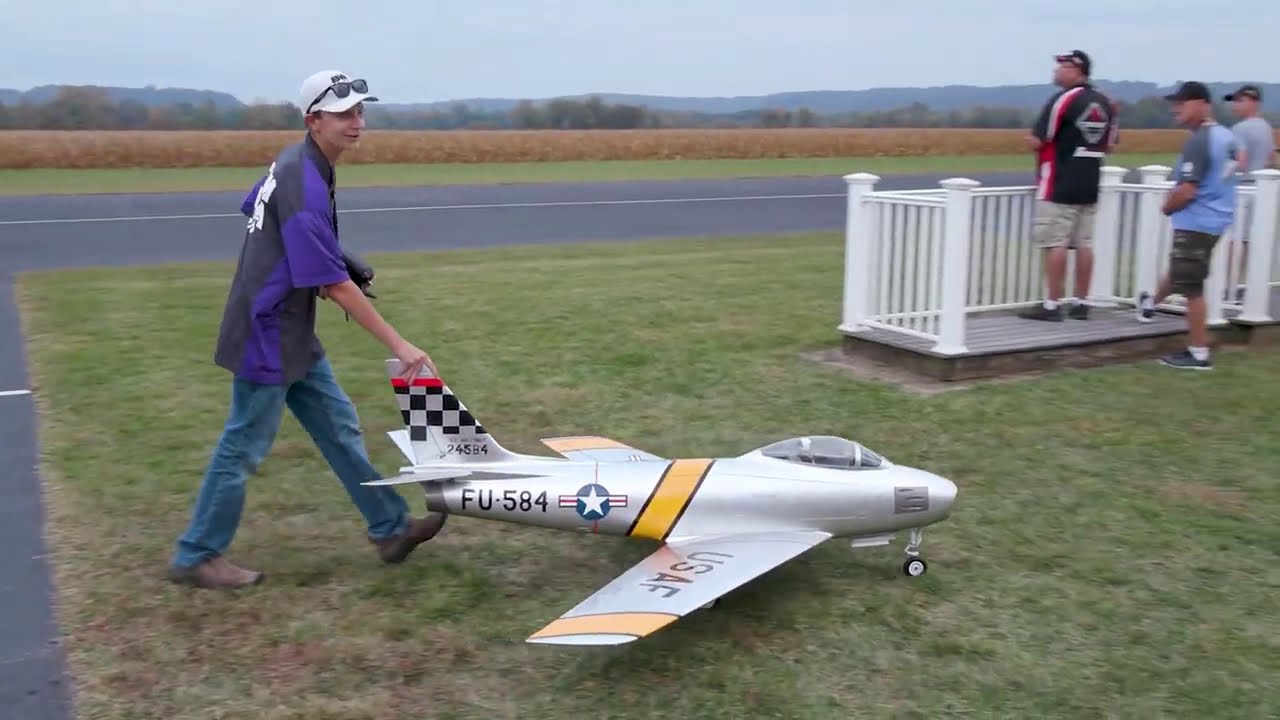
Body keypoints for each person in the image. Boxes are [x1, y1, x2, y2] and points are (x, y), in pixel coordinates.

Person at [168, 70, 448, 589]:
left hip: (291, 328)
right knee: (244, 444)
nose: (356, 122)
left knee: (338, 426)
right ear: (313, 120)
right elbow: (334, 285)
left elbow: (255, 204)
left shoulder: (298, 163)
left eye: (360, 112)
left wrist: (330, 254)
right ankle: (196, 554)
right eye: (344, 114)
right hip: (267, 331)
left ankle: (389, 529)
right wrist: (399, 345)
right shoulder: (304, 177)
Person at [1135, 81, 1241, 370]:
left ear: (1202, 104)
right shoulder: (1226, 136)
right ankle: (1150, 304)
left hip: (1197, 221)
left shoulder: (1199, 140)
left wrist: (1167, 207)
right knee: (1181, 270)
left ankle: (1198, 353)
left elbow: (1187, 190)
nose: (1176, 109)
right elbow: (1234, 165)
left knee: (1192, 287)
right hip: (1217, 220)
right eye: (1175, 104)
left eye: (1183, 103)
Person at [1019, 50, 1119, 322]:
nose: (1055, 71)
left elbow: (1039, 139)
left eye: (1061, 67)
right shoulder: (1106, 102)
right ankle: (1081, 302)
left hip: (1058, 181)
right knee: (1085, 244)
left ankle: (1052, 304)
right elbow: (1109, 144)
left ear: (1076, 70)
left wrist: (1031, 141)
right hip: (1089, 181)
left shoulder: (1063, 99)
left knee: (1056, 243)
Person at [1222, 84, 1274, 300]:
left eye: (1239, 101)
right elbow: (1272, 158)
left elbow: (1237, 162)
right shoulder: (1266, 127)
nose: (1235, 105)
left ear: (1253, 101)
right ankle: (1244, 284)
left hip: (1241, 188)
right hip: (1260, 189)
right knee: (1249, 240)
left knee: (1233, 240)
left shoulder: (1239, 129)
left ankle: (1227, 287)